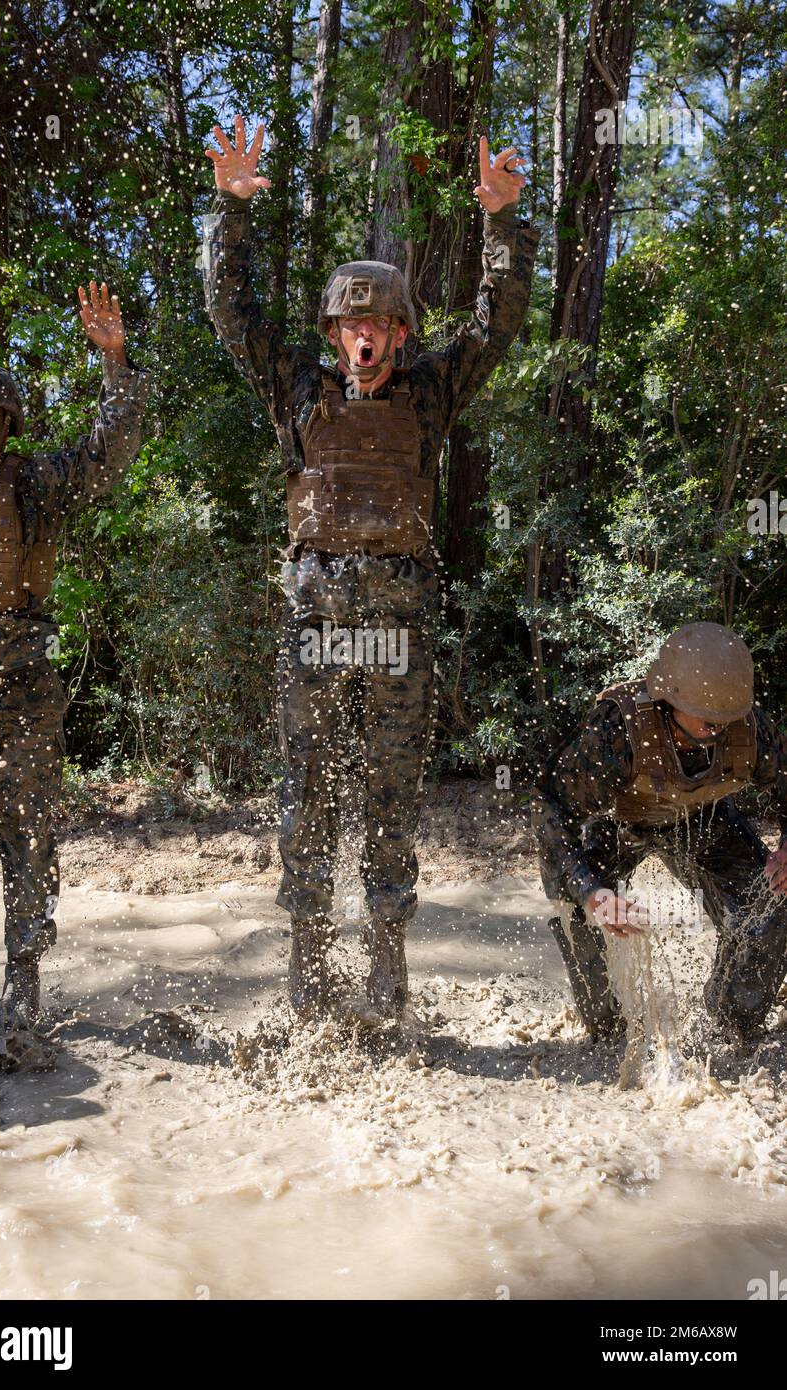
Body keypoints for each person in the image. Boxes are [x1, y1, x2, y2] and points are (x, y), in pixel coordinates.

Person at [204, 114, 539, 1017]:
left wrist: (503, 226)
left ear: (400, 335)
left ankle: (386, 972)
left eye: (380, 324)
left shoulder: (431, 392)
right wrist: (232, 211)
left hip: (400, 634)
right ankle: (310, 974)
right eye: (350, 322)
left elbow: (498, 321)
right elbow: (229, 312)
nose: (363, 337)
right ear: (332, 331)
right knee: (306, 796)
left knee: (391, 799)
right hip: (315, 630)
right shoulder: (298, 392)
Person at [0, 281, 149, 1033]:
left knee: (28, 833)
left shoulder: (39, 485)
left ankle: (24, 972)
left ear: (7, 427)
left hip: (25, 690)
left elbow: (109, 452)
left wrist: (115, 363)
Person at [531, 622, 787, 1046]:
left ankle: (729, 1026)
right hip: (616, 824)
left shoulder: (751, 728)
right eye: (707, 719)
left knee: (775, 902)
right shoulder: (617, 730)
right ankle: (607, 1032)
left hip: (704, 822)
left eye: (726, 719)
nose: (718, 729)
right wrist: (591, 892)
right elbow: (547, 806)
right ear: (670, 702)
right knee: (580, 912)